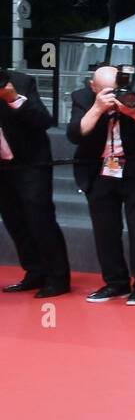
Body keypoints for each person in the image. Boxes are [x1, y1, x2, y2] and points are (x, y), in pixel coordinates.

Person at [66, 64, 135, 304]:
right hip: (98, 171)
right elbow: (75, 134)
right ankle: (115, 283)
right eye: (106, 91)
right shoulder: (82, 98)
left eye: (116, 89)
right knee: (105, 231)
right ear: (93, 87)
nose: (113, 95)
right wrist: (97, 108)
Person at [0, 68, 70, 298]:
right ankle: (35, 271)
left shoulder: (20, 81)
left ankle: (57, 277)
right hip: (2, 166)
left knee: (39, 216)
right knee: (14, 220)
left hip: (31, 161)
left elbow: (44, 120)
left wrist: (13, 99)